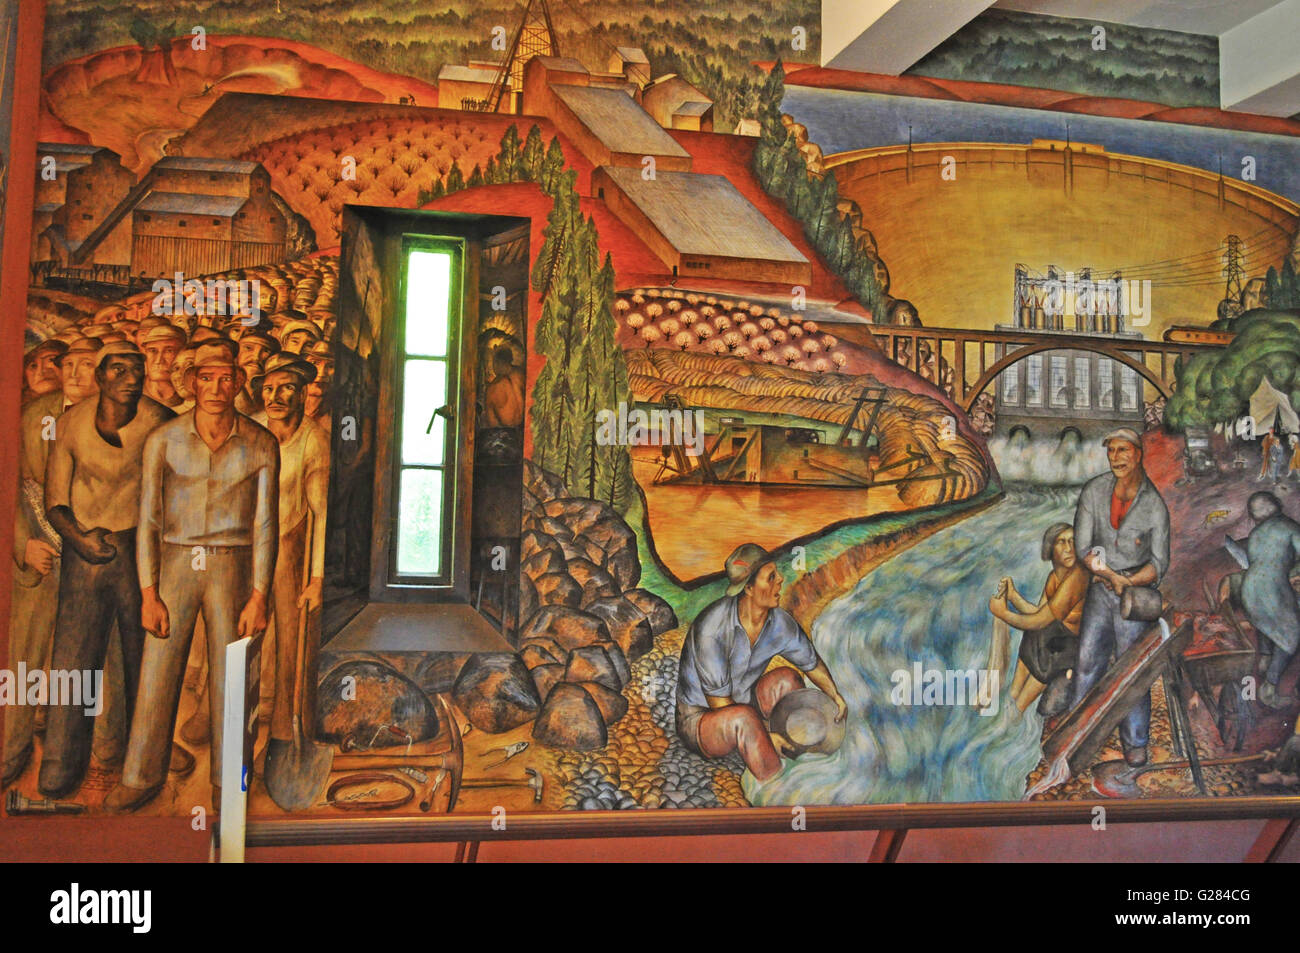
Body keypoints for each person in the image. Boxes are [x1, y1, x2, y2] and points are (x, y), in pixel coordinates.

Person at [104, 342, 279, 813]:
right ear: (191, 383)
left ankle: (231, 783)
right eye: (206, 378)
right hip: (176, 561)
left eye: (226, 379)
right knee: (158, 674)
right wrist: (148, 592)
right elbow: (150, 521)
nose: (216, 389)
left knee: (234, 676)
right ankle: (141, 775)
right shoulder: (165, 439)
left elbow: (266, 525)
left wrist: (259, 594)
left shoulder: (262, 442)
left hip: (234, 564)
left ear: (239, 383)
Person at [38, 342, 180, 796]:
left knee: (145, 659)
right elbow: (55, 502)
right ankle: (61, 765)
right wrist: (79, 539)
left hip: (142, 552)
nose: (130, 378)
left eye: (136, 370)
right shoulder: (71, 425)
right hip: (86, 551)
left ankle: (146, 761)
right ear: (100, 377)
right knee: (74, 660)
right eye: (118, 369)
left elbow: (174, 495)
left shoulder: (161, 422)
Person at [676, 544, 847, 781]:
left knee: (788, 679)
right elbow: (719, 703)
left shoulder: (779, 622)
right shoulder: (711, 629)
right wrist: (767, 733)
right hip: (702, 718)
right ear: (748, 588)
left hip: (745, 700)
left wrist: (834, 694)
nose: (781, 580)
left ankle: (796, 756)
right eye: (771, 577)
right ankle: (777, 783)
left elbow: (811, 663)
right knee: (743, 719)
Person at [1069, 428, 1171, 767]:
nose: (1115, 458)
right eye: (1111, 451)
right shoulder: (1094, 492)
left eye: (1122, 450)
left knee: (1132, 670)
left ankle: (1136, 743)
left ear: (1138, 454)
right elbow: (1083, 546)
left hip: (1136, 597)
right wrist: (1104, 573)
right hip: (1100, 590)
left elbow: (1158, 564)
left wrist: (1125, 580)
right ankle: (1076, 735)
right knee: (1087, 662)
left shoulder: (1154, 504)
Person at [254, 353, 328, 752]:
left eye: (286, 388)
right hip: (246, 547)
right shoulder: (249, 428)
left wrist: (316, 579)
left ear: (302, 395)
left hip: (286, 548)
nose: (276, 396)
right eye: (269, 388)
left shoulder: (312, 440)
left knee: (288, 638)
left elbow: (321, 514)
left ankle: (282, 726)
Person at [989, 522, 1089, 715]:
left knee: (1042, 640)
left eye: (1073, 541)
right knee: (1034, 635)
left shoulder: (1078, 576)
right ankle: (1012, 698)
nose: (1069, 548)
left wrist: (1002, 613)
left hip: (1073, 646)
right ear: (1050, 549)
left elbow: (1040, 620)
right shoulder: (1054, 576)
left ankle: (1017, 710)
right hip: (1057, 639)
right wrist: (1013, 596)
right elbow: (1038, 614)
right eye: (1062, 542)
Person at [1216, 492, 1300, 709]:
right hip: (1272, 589)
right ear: (1278, 506)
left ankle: (1264, 659)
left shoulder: (1254, 534)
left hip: (1249, 588)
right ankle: (1269, 688)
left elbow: (1259, 562)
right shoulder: (1291, 527)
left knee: (1265, 622)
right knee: (1290, 635)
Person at [138, 323, 188, 410]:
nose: (158, 360)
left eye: (169, 351)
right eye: (152, 351)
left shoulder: (189, 396)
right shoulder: (133, 391)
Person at [483, 346, 524, 429]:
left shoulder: (494, 387)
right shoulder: (520, 375)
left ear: (497, 363)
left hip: (503, 434)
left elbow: (494, 422)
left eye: (493, 362)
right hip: (520, 431)